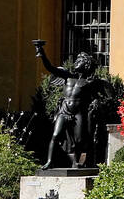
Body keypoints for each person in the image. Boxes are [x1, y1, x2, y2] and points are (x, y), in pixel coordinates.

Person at [32, 40, 105, 169]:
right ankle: (49, 161)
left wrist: (96, 102)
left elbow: (98, 97)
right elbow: (50, 67)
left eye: (79, 61)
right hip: (64, 110)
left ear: (87, 65)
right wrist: (42, 53)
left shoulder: (89, 83)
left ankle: (76, 162)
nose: (76, 63)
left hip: (79, 112)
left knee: (78, 140)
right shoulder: (67, 76)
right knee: (56, 135)